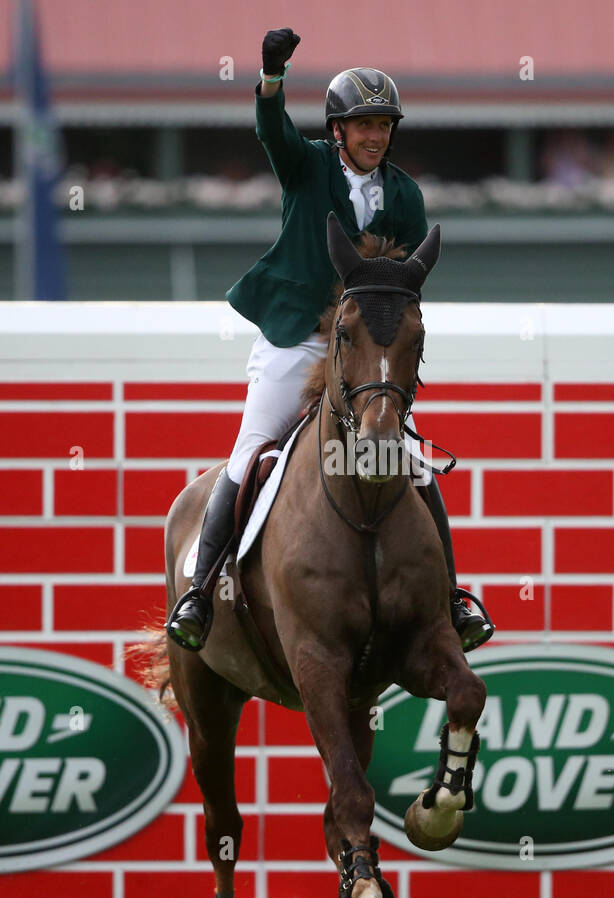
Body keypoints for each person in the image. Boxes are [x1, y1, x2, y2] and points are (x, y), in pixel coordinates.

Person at [165, 27, 493, 655]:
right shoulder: (309, 166)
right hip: (296, 340)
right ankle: (201, 592)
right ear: (338, 130)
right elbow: (272, 132)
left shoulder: (406, 195)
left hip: (365, 352)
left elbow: (403, 288)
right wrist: (271, 78)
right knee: (251, 450)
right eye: (362, 126)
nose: (375, 137)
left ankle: (451, 597)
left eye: (383, 126)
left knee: (413, 464)